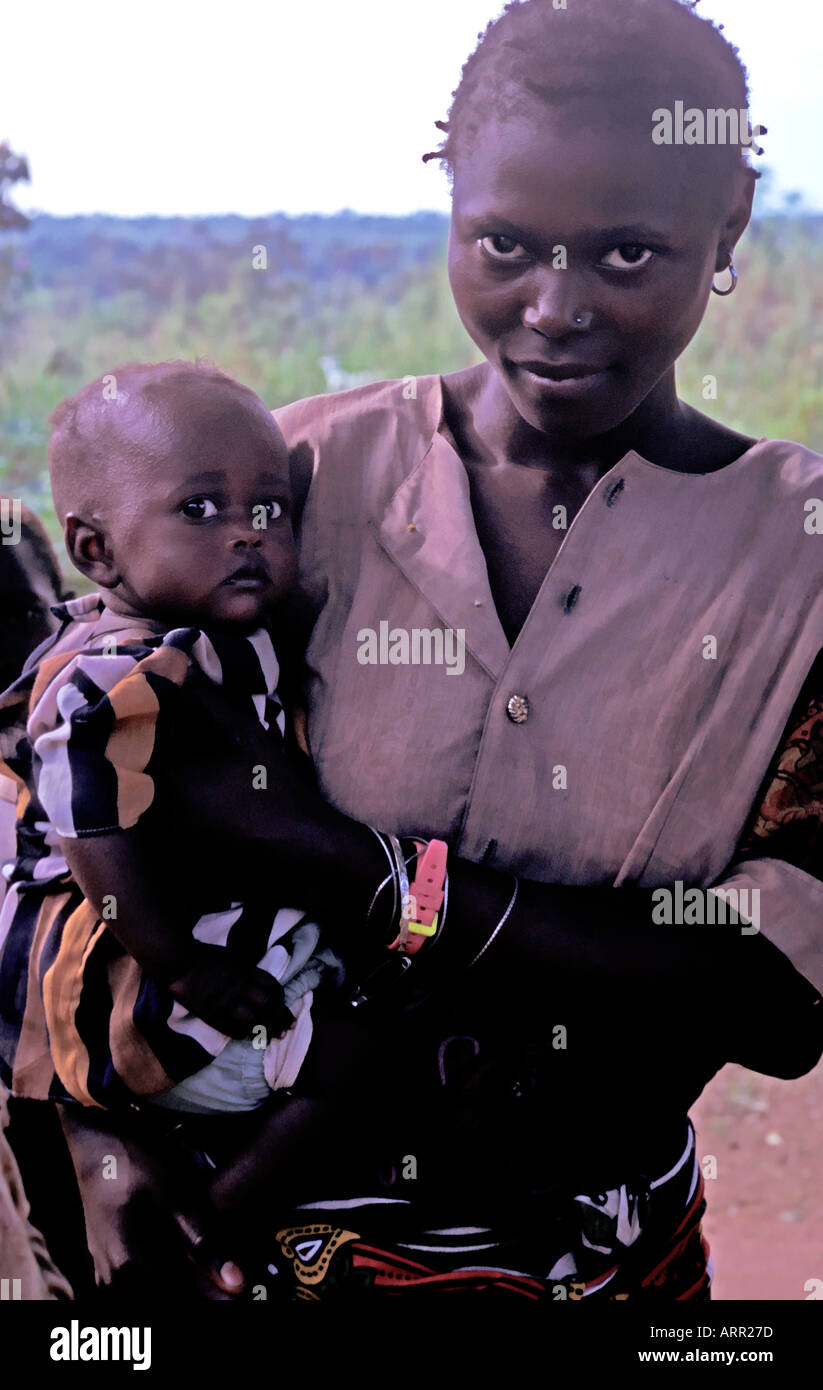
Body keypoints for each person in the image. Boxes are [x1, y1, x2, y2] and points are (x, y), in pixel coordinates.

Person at [40, 0, 823, 1302]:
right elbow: (67, 804)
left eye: (628, 254)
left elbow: (775, 995)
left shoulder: (799, 557)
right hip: (256, 1248)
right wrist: (103, 1153)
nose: (555, 307)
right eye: (503, 243)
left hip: (608, 1261)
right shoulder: (280, 486)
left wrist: (354, 865)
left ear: (728, 228)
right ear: (448, 204)